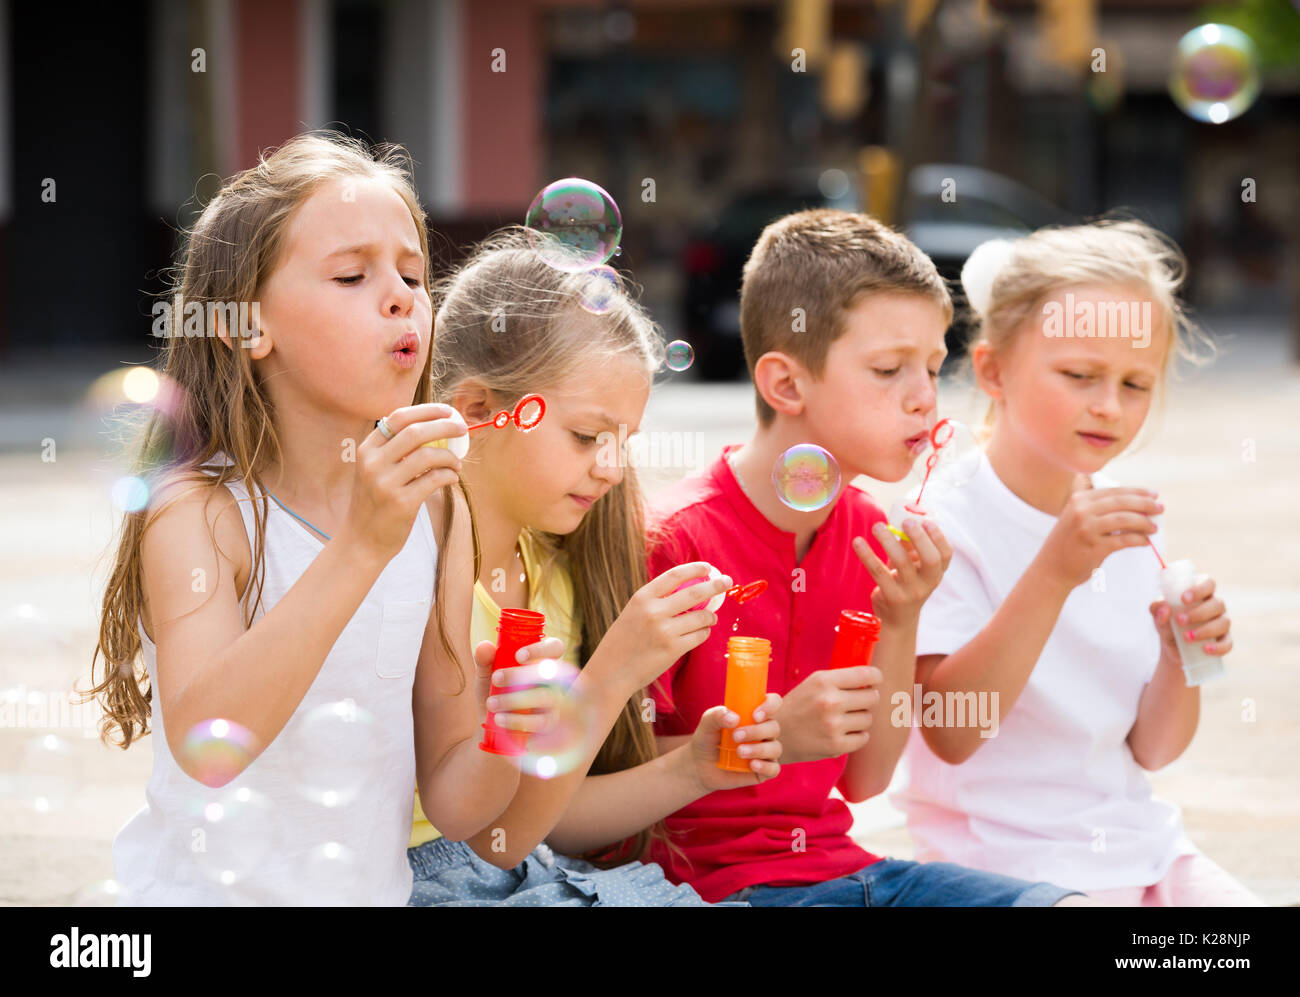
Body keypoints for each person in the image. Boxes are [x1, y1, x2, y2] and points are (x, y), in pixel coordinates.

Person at [645, 209, 1088, 906]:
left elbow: (865, 778)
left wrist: (902, 619)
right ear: (786, 385)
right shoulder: (675, 541)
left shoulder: (869, 534)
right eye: (888, 370)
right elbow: (597, 778)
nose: (924, 398)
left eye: (933, 369)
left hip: (844, 871)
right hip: (704, 887)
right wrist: (771, 735)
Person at [892, 220, 1261, 906]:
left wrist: (1180, 659)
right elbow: (950, 731)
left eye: (1135, 383)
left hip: (1144, 850)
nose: (1109, 406)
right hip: (1003, 867)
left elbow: (1152, 750)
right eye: (1080, 375)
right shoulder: (943, 522)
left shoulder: (1130, 524)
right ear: (994, 370)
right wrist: (1055, 572)